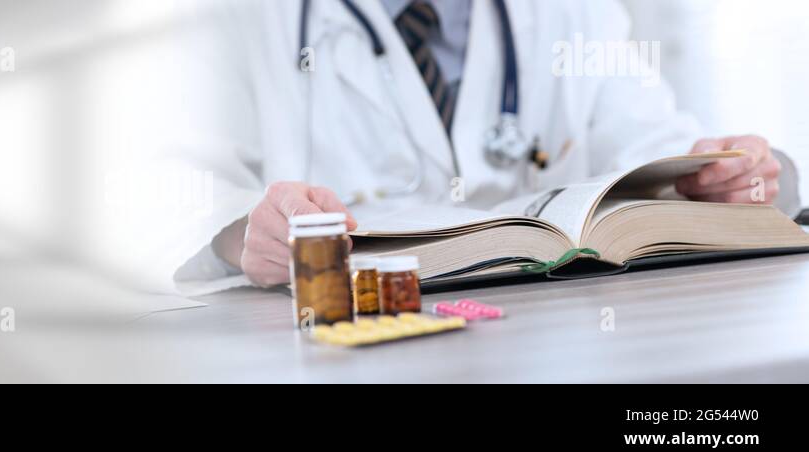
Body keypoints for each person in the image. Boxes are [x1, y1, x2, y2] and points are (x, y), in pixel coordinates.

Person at [167, 0, 790, 292]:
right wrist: (241, 231)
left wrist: (721, 174)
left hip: (545, 338)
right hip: (340, 347)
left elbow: (656, 144)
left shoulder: (571, 13)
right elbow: (159, 193)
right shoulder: (236, 18)